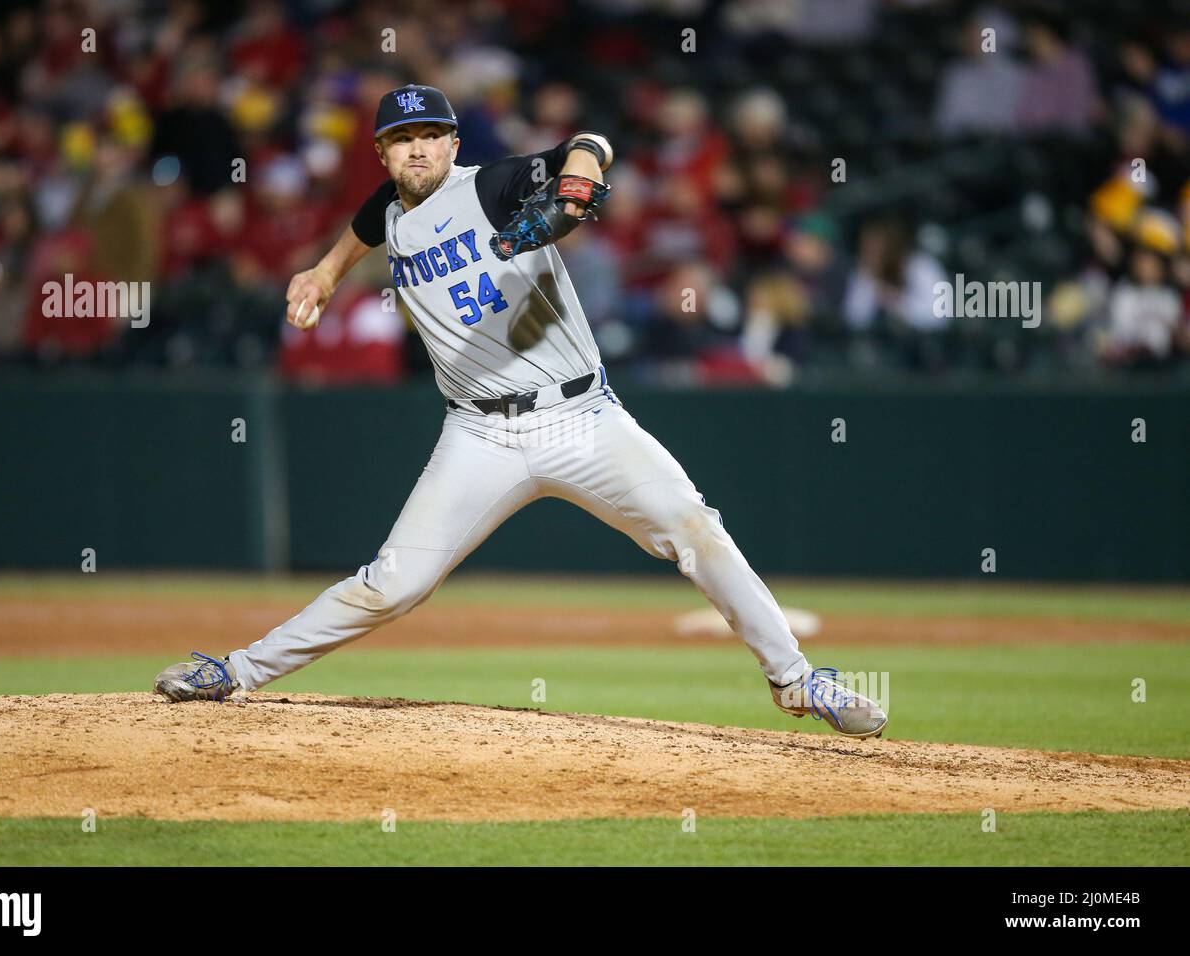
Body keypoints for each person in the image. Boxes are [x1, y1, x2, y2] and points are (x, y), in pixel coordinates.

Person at [153, 84, 888, 738]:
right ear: (381, 153)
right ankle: (238, 671)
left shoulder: (491, 186)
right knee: (394, 584)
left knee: (695, 529)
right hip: (478, 431)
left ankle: (797, 680)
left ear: (452, 143)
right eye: (402, 140)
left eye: (430, 135)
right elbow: (369, 224)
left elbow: (589, 144)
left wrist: (580, 175)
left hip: (583, 417)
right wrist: (322, 269)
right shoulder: (391, 209)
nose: (418, 149)